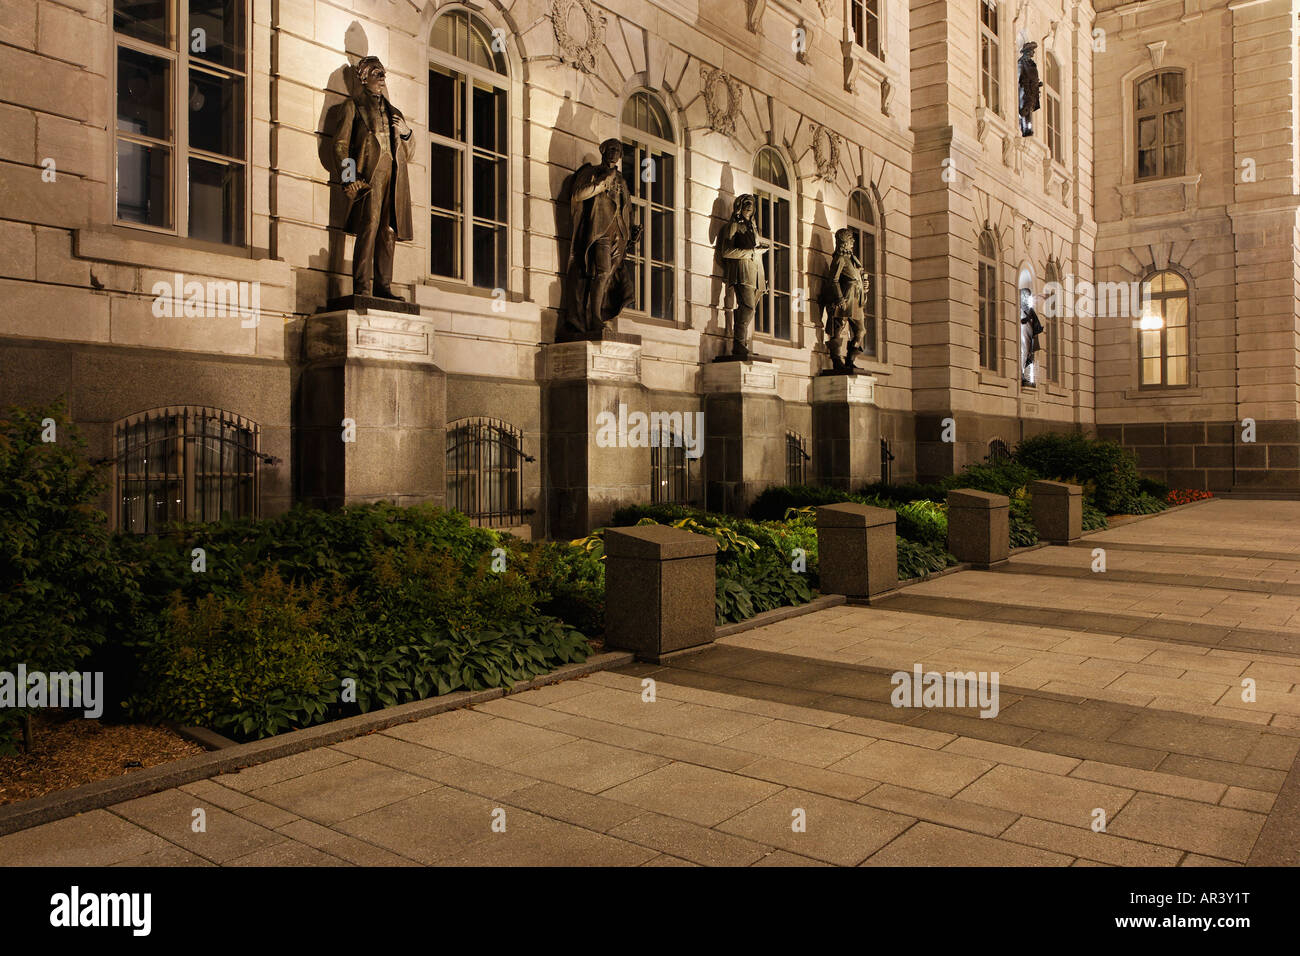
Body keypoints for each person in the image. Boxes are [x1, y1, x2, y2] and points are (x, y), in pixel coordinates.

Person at [332, 56, 414, 299]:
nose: (382, 77)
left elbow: (409, 153)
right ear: (364, 77)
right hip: (369, 175)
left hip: (395, 176)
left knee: (388, 231)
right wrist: (349, 179)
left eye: (383, 73)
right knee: (368, 226)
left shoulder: (395, 112)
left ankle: (383, 285)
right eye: (377, 73)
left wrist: (407, 133)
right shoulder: (353, 106)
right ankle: (361, 287)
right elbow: (340, 145)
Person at [562, 139, 642, 339]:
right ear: (603, 150)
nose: (615, 153)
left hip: (619, 236)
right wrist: (602, 182)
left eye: (618, 150)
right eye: (611, 149)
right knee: (603, 273)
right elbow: (578, 194)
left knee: (608, 277)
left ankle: (597, 315)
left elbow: (627, 208)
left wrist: (632, 231)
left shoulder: (622, 180)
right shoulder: (593, 172)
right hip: (600, 232)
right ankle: (594, 317)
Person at [716, 194, 769, 359]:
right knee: (747, 307)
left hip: (754, 273)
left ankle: (741, 343)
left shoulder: (753, 227)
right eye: (746, 203)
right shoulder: (733, 226)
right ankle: (738, 343)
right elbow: (726, 251)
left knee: (749, 308)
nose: (749, 206)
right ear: (739, 206)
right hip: (741, 272)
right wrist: (752, 252)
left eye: (752, 204)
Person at [822, 227, 871, 373]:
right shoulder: (840, 259)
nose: (853, 241)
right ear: (844, 242)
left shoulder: (853, 260)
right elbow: (833, 280)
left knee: (861, 331)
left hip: (857, 299)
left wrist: (865, 286)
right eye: (850, 239)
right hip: (845, 298)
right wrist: (839, 298)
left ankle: (850, 360)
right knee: (838, 329)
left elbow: (857, 279)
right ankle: (836, 360)